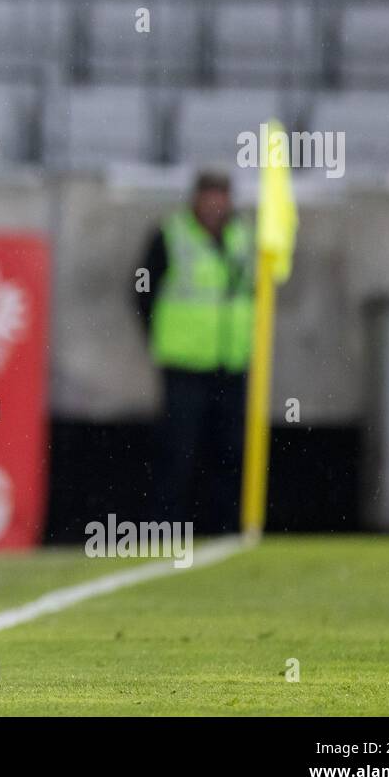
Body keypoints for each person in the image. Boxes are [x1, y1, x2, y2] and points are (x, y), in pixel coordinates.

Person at [133, 171, 255, 536]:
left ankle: (225, 528)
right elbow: (142, 290)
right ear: (196, 199)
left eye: (222, 197)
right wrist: (159, 335)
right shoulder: (172, 235)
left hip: (232, 360)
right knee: (178, 449)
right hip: (184, 362)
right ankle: (164, 526)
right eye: (209, 197)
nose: (216, 205)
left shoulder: (244, 238)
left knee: (231, 450)